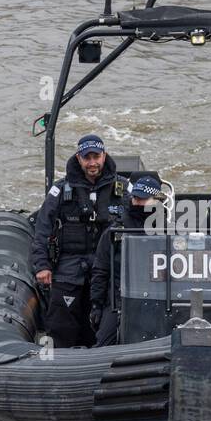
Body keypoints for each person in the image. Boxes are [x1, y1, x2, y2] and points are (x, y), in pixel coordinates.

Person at [30, 133, 129, 348]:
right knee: (60, 324)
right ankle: (58, 364)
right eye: (87, 158)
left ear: (104, 156)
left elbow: (142, 222)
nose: (92, 163)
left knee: (108, 321)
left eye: (96, 157)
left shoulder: (123, 189)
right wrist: (42, 265)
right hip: (69, 266)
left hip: (107, 269)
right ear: (78, 158)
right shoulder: (60, 190)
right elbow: (42, 229)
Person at [89, 174, 166, 347]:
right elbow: (100, 270)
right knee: (103, 344)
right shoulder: (116, 230)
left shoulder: (168, 231)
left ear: (156, 200)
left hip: (158, 300)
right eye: (136, 198)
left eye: (143, 199)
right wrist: (96, 305)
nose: (138, 203)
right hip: (119, 301)